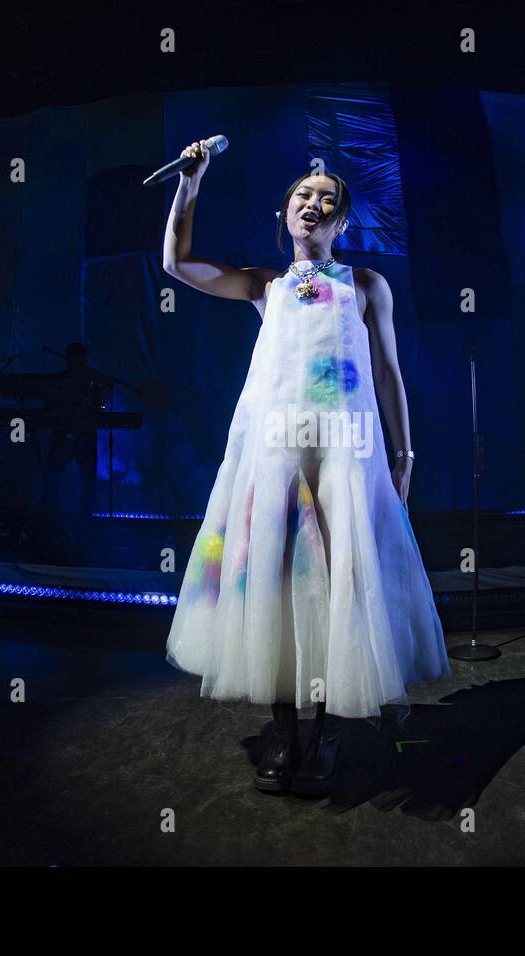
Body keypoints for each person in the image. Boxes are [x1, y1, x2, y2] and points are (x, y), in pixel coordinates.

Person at [161, 139, 450, 795]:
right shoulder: (266, 286)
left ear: (344, 221)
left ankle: (321, 735)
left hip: (343, 455)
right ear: (284, 214)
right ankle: (284, 733)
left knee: (331, 583)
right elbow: (177, 264)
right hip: (274, 455)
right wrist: (192, 182)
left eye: (328, 200)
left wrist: (404, 458)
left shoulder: (366, 285)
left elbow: (386, 373)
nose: (313, 204)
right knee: (274, 582)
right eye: (302, 196)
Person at [42, 343, 101, 517]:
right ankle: (51, 517)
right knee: (53, 479)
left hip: (83, 435)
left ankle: (83, 518)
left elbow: (98, 406)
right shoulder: (60, 380)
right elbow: (48, 407)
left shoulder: (91, 381)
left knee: (86, 481)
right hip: (63, 435)